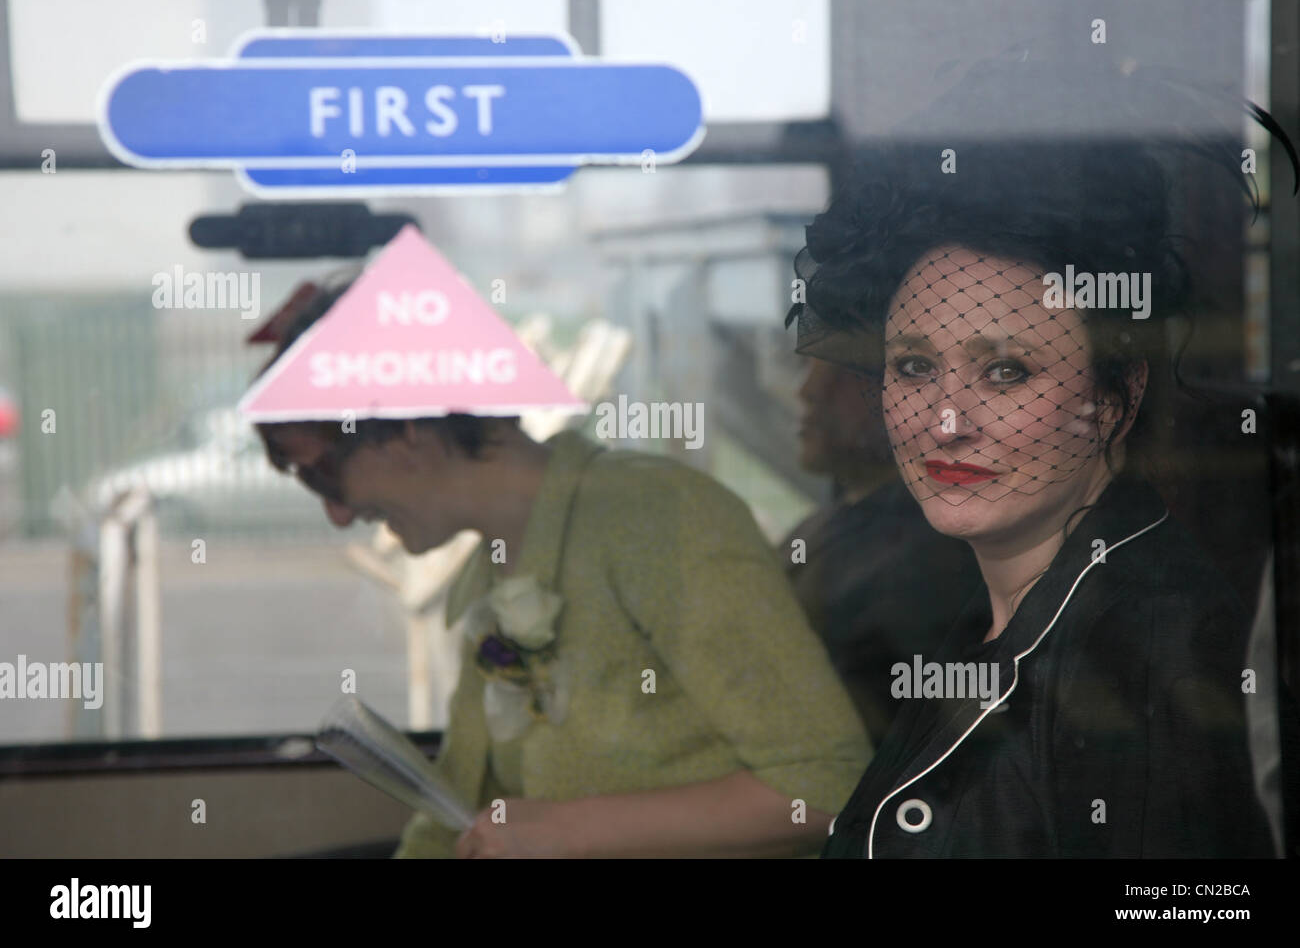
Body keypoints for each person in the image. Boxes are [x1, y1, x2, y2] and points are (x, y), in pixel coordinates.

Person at [787, 60, 1287, 857]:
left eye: (1008, 371)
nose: (946, 422)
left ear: (1117, 397)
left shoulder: (1144, 654)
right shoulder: (1001, 615)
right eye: (914, 366)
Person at [255, 278, 869, 858]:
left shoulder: (661, 519)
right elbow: (457, 815)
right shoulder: (491, 568)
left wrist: (568, 830)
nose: (336, 514)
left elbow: (825, 789)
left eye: (321, 473)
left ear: (407, 428)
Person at [781, 356, 980, 746]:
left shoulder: (935, 558)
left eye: (846, 371)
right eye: (808, 366)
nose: (808, 390)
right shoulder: (831, 524)